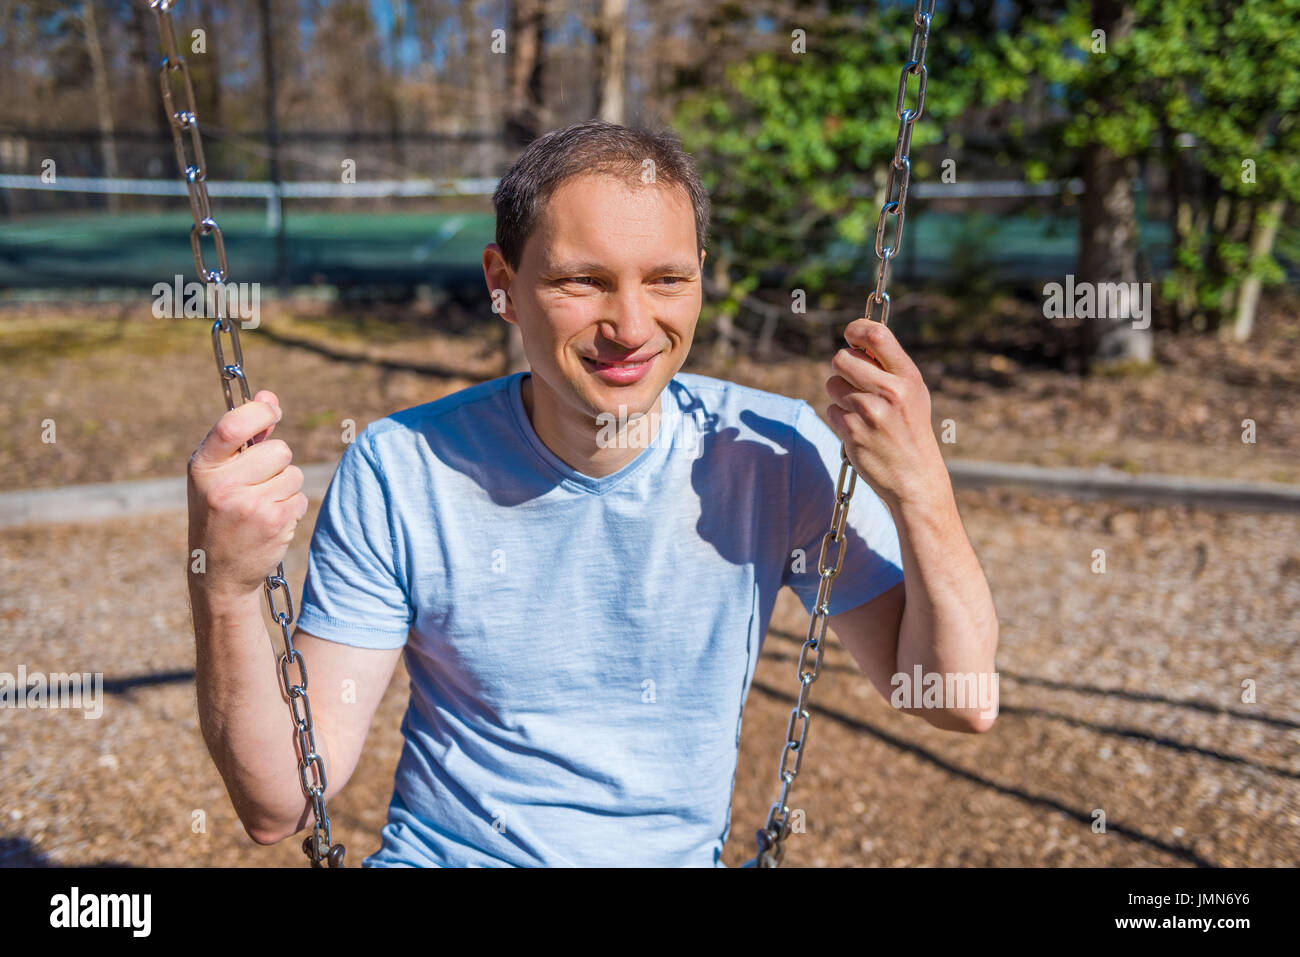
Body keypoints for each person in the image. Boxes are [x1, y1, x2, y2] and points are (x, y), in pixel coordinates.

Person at [185, 120, 999, 867]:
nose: (634, 325)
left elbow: (959, 700)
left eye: (667, 279)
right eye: (585, 281)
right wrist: (226, 589)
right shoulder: (404, 469)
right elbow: (281, 802)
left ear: (701, 277)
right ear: (503, 282)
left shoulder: (773, 453)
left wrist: (922, 483)